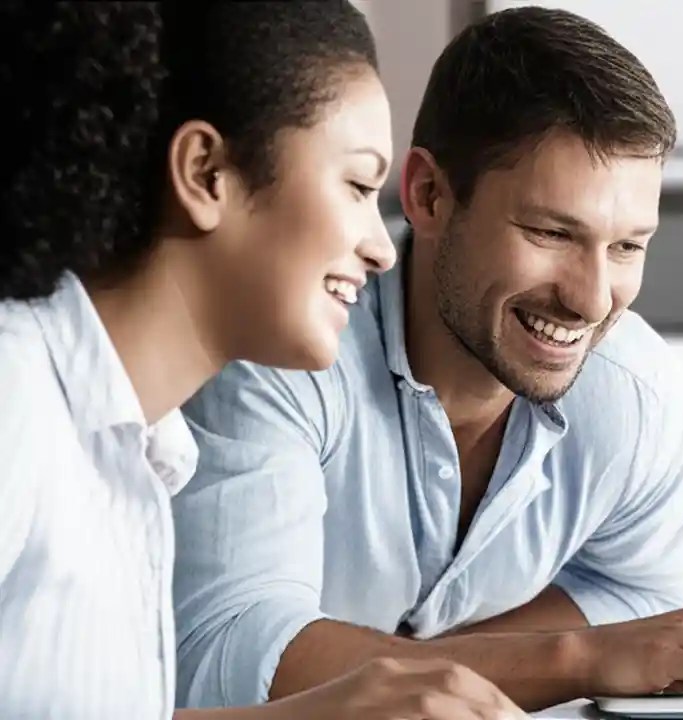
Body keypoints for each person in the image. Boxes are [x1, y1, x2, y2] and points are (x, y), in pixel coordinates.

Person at [173, 5, 683, 713]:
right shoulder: (288, 347)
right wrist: (572, 657)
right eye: (552, 232)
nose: (590, 300)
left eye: (627, 247)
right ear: (428, 195)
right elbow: (226, 655)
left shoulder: (634, 390)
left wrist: (419, 672)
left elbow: (650, 600)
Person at [0, 2, 524, 719]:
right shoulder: (16, 394)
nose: (382, 245)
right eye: (357, 185)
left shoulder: (146, 454)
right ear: (207, 173)